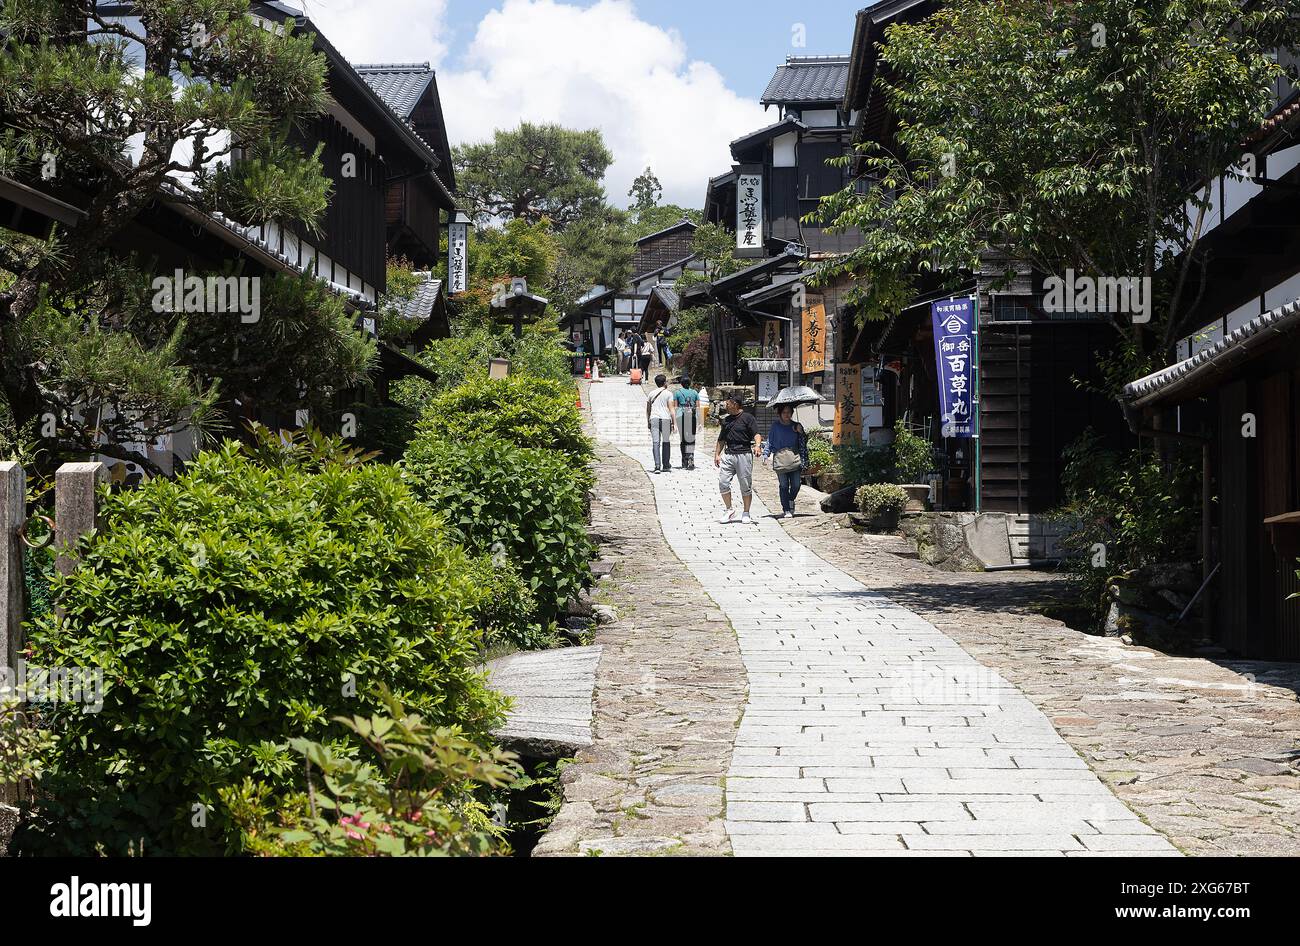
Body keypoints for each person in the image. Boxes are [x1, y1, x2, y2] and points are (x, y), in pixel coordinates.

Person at [714, 396, 762, 524]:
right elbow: (721, 439)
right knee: (723, 482)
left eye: (727, 404)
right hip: (729, 454)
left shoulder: (748, 418)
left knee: (745, 485)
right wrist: (717, 454)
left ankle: (746, 512)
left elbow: (756, 434)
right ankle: (729, 510)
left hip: (744, 454)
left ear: (735, 404)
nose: (726, 406)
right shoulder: (726, 420)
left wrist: (757, 445)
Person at [762, 405, 809, 518]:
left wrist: (801, 431)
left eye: (789, 412)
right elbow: (770, 440)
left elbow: (804, 441)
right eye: (784, 412)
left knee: (796, 484)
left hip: (794, 457)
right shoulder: (775, 426)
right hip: (780, 458)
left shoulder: (796, 425)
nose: (787, 414)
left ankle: (790, 499)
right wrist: (765, 454)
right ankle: (786, 509)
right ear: (780, 414)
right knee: (783, 485)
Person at [646, 374, 676, 473]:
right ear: (664, 383)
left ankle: (657, 466)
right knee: (666, 442)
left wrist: (648, 421)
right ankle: (666, 465)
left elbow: (648, 410)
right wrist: (674, 423)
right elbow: (671, 409)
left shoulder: (651, 394)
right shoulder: (669, 394)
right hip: (666, 419)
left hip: (654, 418)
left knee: (655, 442)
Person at [673, 377, 700, 470]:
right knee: (691, 438)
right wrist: (699, 421)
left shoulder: (677, 393)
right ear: (690, 383)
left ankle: (684, 461)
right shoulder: (695, 393)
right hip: (692, 417)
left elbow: (675, 407)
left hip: (681, 417)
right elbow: (698, 408)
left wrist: (674, 422)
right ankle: (691, 456)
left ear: (681, 384)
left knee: (683, 439)